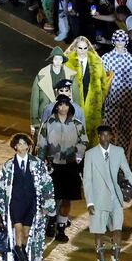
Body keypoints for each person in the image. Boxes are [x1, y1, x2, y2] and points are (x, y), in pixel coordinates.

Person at [0, 134, 56, 261]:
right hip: (15, 203)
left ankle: (21, 258)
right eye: (19, 144)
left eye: (24, 144)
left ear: (28, 146)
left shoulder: (37, 163)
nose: (21, 147)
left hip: (31, 203)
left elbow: (46, 183)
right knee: (18, 231)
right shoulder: (8, 165)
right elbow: (1, 186)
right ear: (15, 147)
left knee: (27, 233)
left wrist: (48, 204)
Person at [83, 123, 132, 261]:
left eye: (108, 135)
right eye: (102, 135)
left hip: (116, 199)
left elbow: (127, 171)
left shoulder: (118, 152)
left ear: (112, 136)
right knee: (98, 232)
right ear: (98, 137)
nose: (105, 138)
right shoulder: (91, 154)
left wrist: (130, 192)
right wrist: (89, 202)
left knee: (117, 230)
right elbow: (88, 180)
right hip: (98, 200)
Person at [41, 96, 86, 241]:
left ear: (69, 107)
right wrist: (41, 161)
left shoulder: (77, 124)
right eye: (60, 105)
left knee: (67, 198)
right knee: (52, 197)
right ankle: (51, 221)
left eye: (66, 105)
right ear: (56, 107)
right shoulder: (48, 123)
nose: (63, 108)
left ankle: (61, 228)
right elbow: (41, 143)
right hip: (53, 165)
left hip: (70, 165)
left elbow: (84, 141)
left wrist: (77, 154)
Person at [102, 28, 132, 151]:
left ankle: (122, 156)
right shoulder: (106, 58)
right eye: (117, 40)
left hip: (128, 101)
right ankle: (106, 155)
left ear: (126, 41)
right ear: (114, 41)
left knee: (126, 131)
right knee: (110, 129)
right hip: (112, 101)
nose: (120, 42)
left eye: (123, 40)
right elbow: (103, 79)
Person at [62, 34, 111, 135]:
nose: (82, 51)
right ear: (75, 47)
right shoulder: (67, 62)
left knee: (91, 131)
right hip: (73, 99)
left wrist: (101, 98)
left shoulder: (97, 61)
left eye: (85, 48)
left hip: (93, 100)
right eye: (80, 48)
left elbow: (103, 82)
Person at [30, 46, 70, 138]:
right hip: (44, 117)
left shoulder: (70, 75)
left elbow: (75, 98)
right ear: (52, 60)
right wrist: (34, 121)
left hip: (64, 117)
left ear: (62, 60)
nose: (58, 61)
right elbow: (35, 100)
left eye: (60, 59)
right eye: (56, 59)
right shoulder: (41, 75)